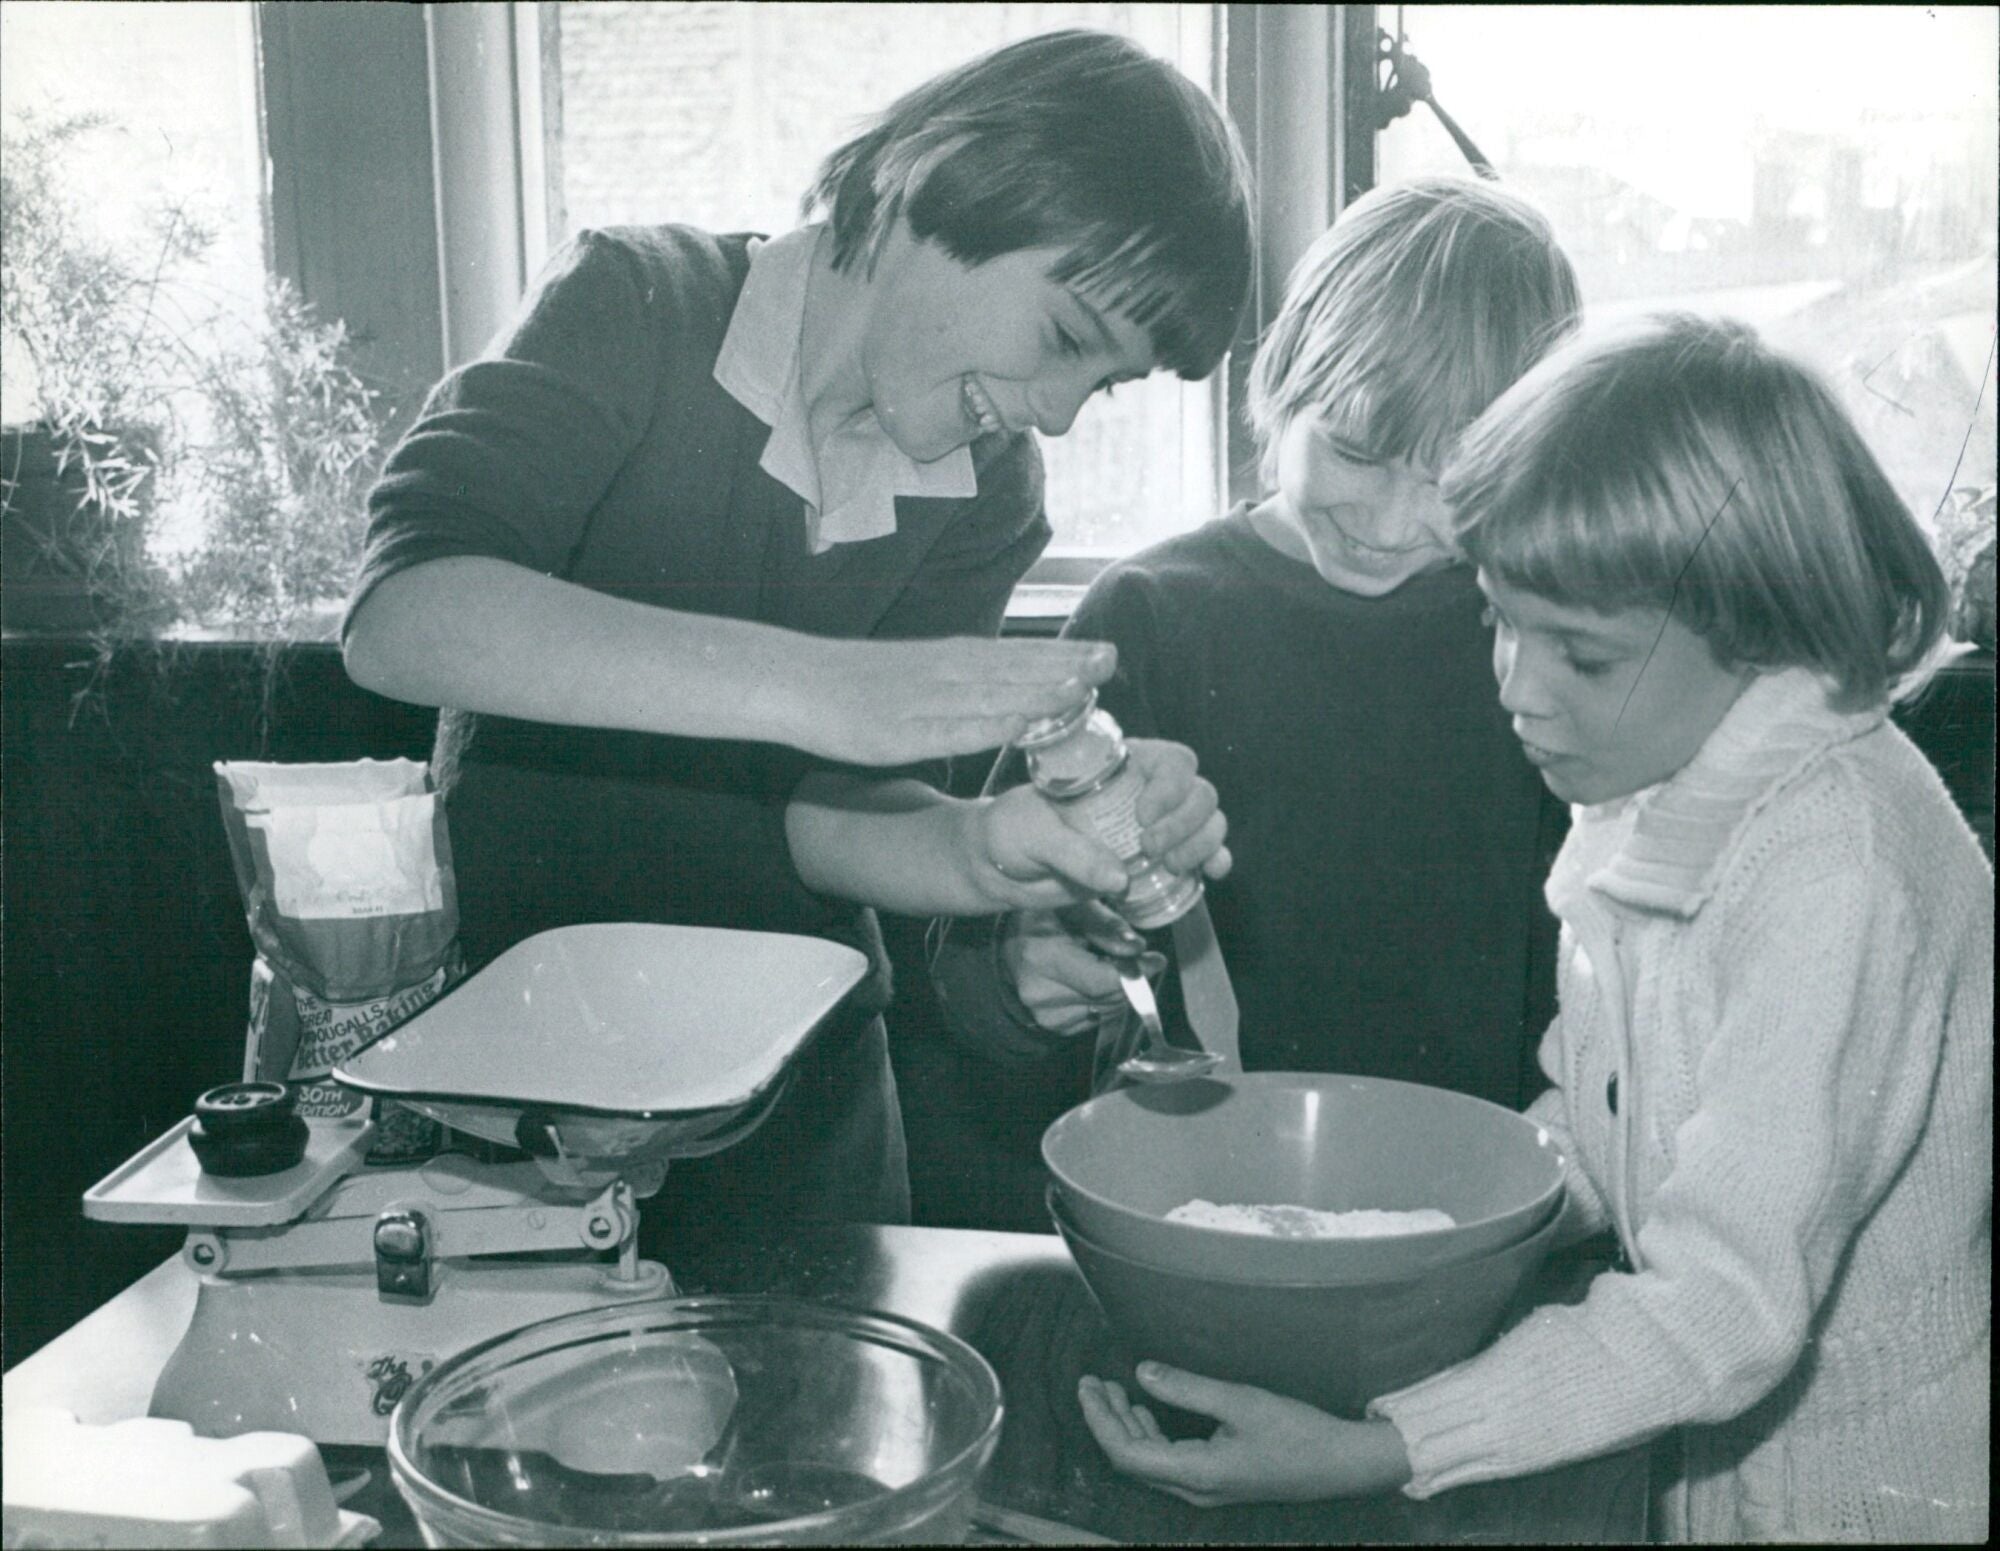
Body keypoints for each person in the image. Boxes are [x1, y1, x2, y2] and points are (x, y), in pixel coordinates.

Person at [1079, 313, 1994, 1544]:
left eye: (1577, 652)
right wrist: (1391, 1240)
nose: (1515, 682)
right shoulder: (1652, 775)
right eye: (1498, 618)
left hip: (1874, 1493)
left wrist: (1384, 1445)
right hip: (1704, 1460)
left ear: (1761, 624)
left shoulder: (1836, 863)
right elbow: (1600, 1125)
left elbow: (1722, 1301)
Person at [340, 30, 1254, 1236]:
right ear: (935, 178)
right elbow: (405, 614)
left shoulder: (987, 490)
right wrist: (820, 687)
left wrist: (986, 849)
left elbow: (835, 815)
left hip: (800, 1110)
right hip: (524, 1094)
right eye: (1066, 339)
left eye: (1105, 385)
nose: (1059, 411)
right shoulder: (637, 304)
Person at [919, 178, 1581, 1229]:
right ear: (1279, 383)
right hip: (1189, 1213)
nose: (1392, 518)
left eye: (1455, 484)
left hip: (1471, 1217)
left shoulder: (1538, 641)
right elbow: (973, 975)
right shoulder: (1149, 616)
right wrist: (1021, 973)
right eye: (1355, 451)